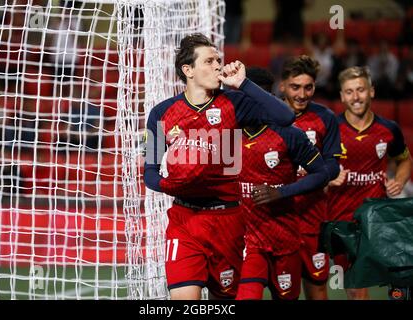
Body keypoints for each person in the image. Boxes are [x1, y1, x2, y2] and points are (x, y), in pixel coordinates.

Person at [143, 33, 295, 300]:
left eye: (218, 60)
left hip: (227, 219)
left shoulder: (234, 103)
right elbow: (150, 172)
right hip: (184, 219)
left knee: (223, 299)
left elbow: (285, 116)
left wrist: (243, 83)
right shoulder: (161, 113)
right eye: (209, 61)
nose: (217, 66)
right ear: (188, 70)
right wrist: (171, 184)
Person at [236, 67, 330, 300]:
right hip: (248, 240)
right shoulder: (228, 134)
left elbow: (322, 174)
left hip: (284, 238)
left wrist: (281, 192)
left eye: (263, 97)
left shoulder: (289, 134)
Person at [328, 66, 412, 300]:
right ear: (342, 96)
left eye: (361, 90)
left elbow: (405, 160)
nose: (356, 97)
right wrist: (329, 178)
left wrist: (398, 180)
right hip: (342, 222)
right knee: (355, 290)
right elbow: (313, 171)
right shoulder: (331, 130)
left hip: (377, 220)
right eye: (350, 91)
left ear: (372, 91)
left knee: (398, 289)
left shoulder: (389, 129)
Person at [278, 55, 341, 300]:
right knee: (284, 292)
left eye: (308, 87)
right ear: (282, 86)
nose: (302, 94)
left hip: (313, 219)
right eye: (295, 87)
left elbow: (333, 166)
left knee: (317, 289)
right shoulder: (267, 117)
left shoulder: (325, 118)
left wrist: (319, 177)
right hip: (279, 219)